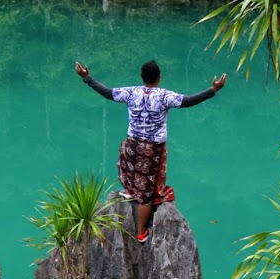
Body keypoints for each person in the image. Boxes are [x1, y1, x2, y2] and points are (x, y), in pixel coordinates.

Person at [75, 59, 226, 242]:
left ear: (141, 76)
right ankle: (140, 232)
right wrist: (213, 90)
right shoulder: (164, 96)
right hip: (151, 148)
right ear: (159, 78)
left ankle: (131, 189)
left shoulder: (131, 93)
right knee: (146, 195)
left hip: (131, 145)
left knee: (130, 170)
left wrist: (86, 78)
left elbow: (107, 93)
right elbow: (189, 101)